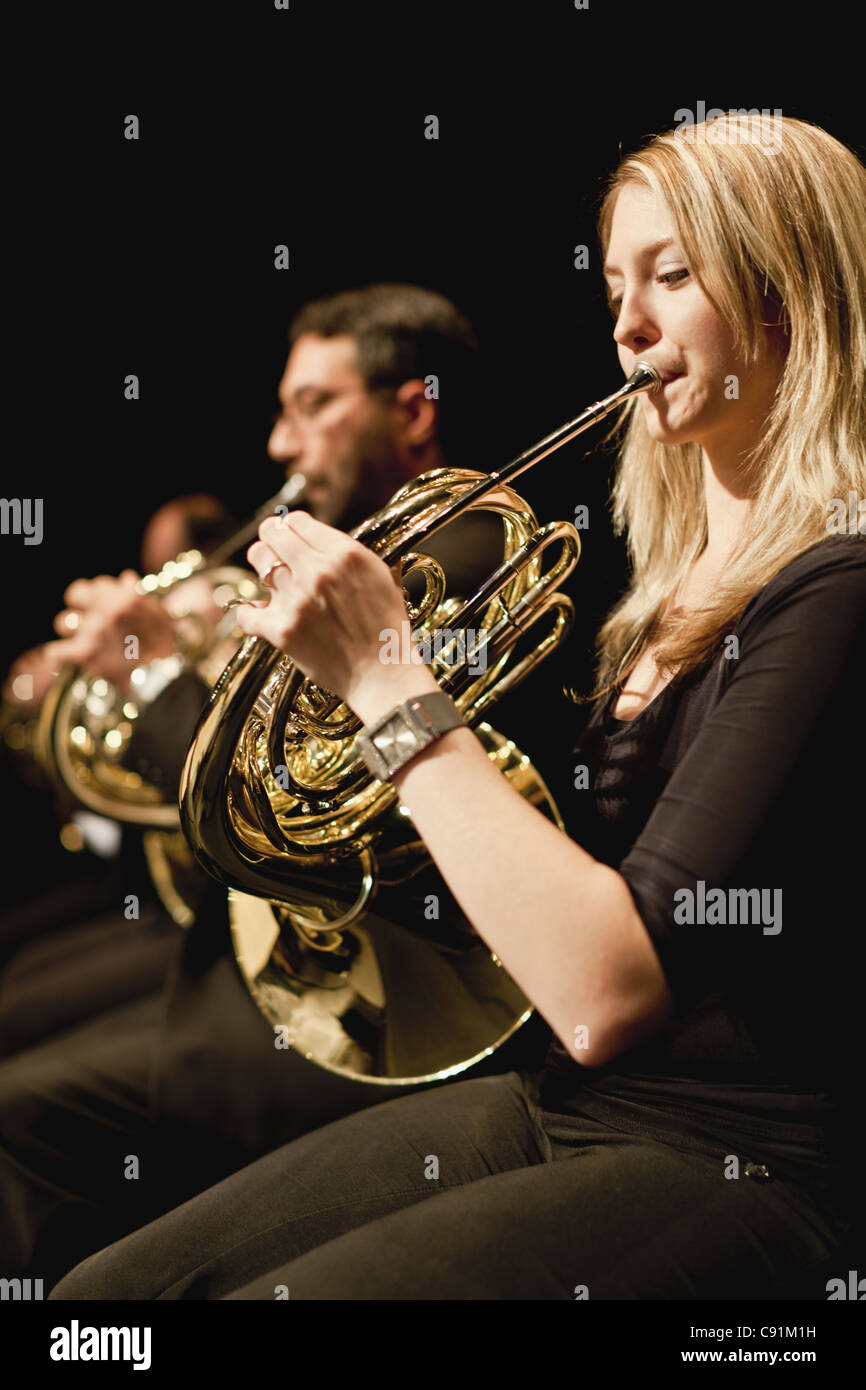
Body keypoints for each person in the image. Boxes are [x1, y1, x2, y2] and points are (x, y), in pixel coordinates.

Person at [51, 112, 865, 1301]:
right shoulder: (665, 586)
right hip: (560, 1098)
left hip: (737, 1155)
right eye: (613, 287)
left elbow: (604, 988)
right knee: (100, 1308)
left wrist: (385, 679)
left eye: (672, 276)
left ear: (786, 296)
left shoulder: (836, 588)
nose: (625, 325)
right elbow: (527, 906)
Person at [1, 283, 565, 1288]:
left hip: (383, 987)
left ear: (414, 410)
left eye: (313, 404)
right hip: (252, 953)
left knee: (18, 1121)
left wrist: (158, 674)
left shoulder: (468, 547)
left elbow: (297, 808)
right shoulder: (350, 559)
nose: (277, 443)